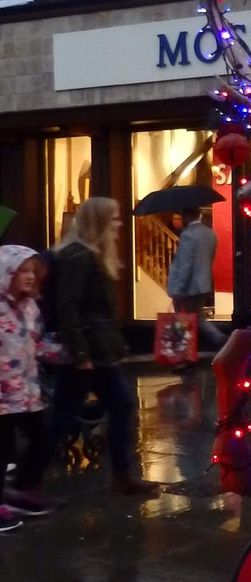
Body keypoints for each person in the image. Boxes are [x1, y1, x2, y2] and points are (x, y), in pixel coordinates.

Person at [48, 196, 160, 497]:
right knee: (62, 416)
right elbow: (68, 308)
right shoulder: (79, 256)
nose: (119, 225)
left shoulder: (94, 255)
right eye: (113, 219)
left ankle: (122, 475)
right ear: (98, 223)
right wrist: (81, 352)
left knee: (119, 405)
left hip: (100, 352)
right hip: (87, 354)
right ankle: (28, 479)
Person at [0, 246, 57, 527]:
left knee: (43, 439)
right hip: (2, 395)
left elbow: (36, 343)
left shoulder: (31, 306)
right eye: (23, 271)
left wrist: (62, 352)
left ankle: (22, 490)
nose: (30, 277)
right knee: (2, 450)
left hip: (27, 391)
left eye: (33, 271)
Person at [166, 207, 222, 349]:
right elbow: (211, 257)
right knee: (196, 317)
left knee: (184, 320)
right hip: (204, 283)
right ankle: (218, 338)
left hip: (188, 287)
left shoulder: (188, 235)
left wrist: (177, 288)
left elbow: (186, 264)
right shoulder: (210, 234)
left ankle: (186, 353)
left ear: (187, 216)